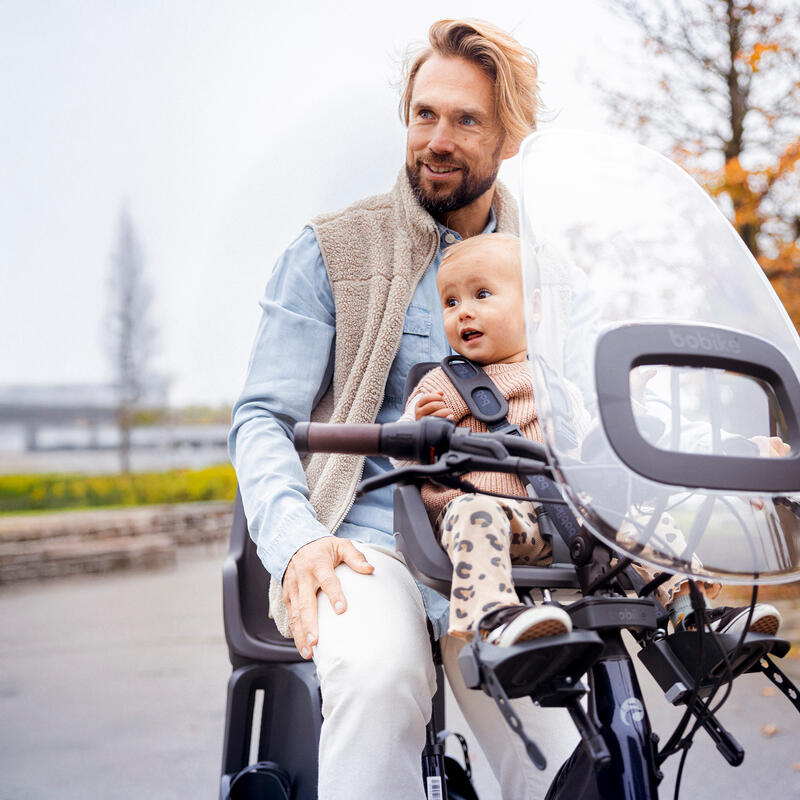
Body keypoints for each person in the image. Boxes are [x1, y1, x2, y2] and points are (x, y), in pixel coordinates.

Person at [229, 18, 586, 800]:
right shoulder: (330, 249)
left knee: (571, 756)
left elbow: (603, 405)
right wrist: (296, 543)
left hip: (509, 550)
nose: (438, 138)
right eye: (425, 114)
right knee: (378, 676)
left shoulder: (551, 274)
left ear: (511, 138)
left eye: (466, 119)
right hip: (366, 540)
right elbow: (261, 418)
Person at [402, 232, 782, 644]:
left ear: (534, 308)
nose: (464, 313)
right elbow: (401, 456)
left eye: (482, 294)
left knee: (644, 519)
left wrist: (631, 406)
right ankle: (495, 616)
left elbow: (591, 454)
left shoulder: (560, 387)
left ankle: (695, 617)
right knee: (471, 511)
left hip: (565, 519)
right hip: (493, 517)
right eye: (451, 302)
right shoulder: (442, 383)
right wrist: (421, 429)